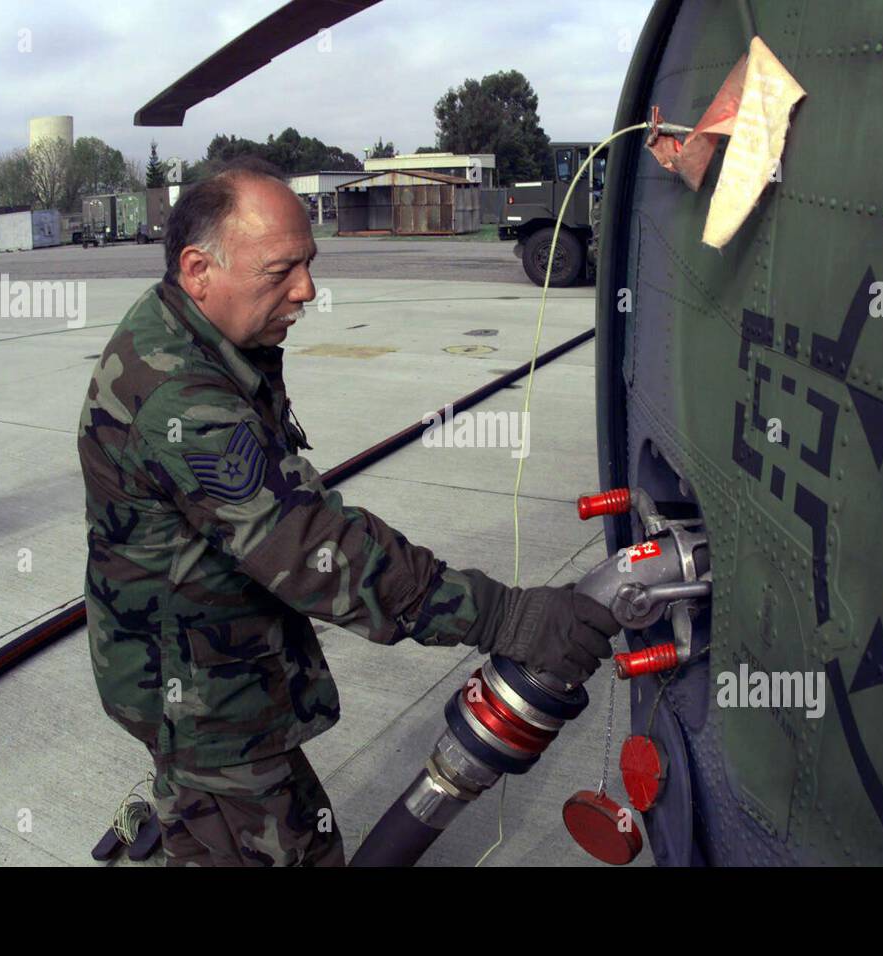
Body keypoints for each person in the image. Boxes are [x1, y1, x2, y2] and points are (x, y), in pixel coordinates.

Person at [77, 155, 616, 867]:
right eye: (280, 272)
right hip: (204, 701)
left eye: (309, 263)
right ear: (198, 270)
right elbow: (313, 549)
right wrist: (505, 617)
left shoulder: (201, 332)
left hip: (201, 669)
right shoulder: (178, 393)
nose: (307, 289)